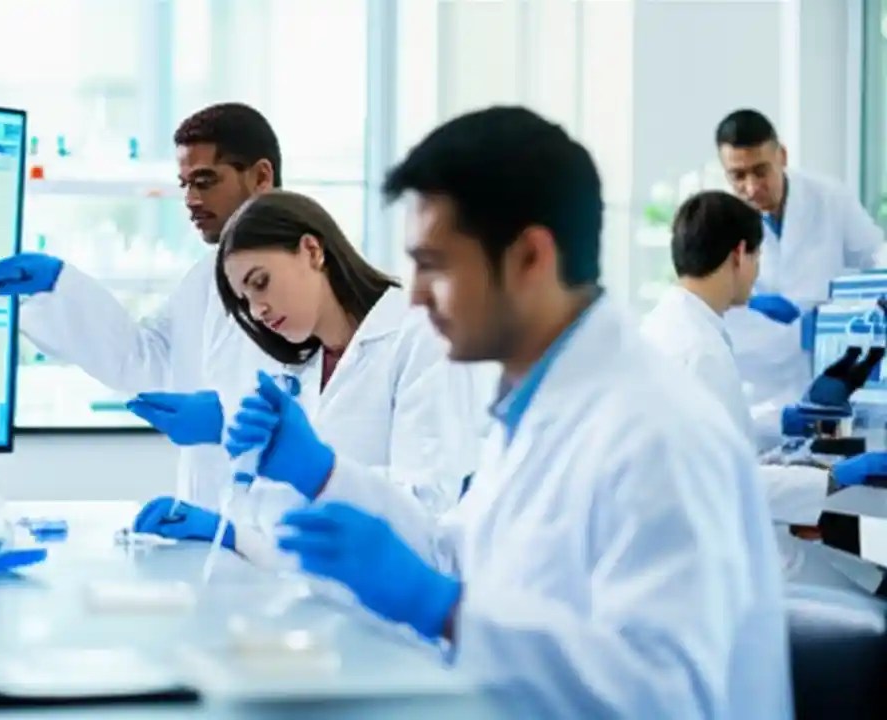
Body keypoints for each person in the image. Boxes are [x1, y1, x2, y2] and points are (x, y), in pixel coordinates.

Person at [225, 107, 790, 717]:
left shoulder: (656, 432)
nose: (416, 295)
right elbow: (455, 555)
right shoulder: (534, 406)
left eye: (435, 265)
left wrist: (445, 609)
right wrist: (323, 473)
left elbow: (670, 696)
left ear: (529, 258)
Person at [130, 191, 495, 560]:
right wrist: (230, 532)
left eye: (261, 283)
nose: (256, 311)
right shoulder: (303, 367)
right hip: (313, 582)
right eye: (245, 300)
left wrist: (317, 470)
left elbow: (427, 508)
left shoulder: (421, 338)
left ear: (311, 251)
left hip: (395, 588)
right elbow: (289, 515)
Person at [0, 103, 281, 509]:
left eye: (205, 181)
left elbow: (331, 414)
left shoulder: (310, 272)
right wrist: (59, 285)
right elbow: (145, 356)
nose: (190, 199)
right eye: (184, 184)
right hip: (214, 514)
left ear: (261, 177)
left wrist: (229, 419)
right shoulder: (205, 277)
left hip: (279, 522)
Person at [640, 190, 887, 593]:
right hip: (719, 562)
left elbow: (710, 438)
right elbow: (727, 484)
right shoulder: (698, 350)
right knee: (869, 594)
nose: (756, 274)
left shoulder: (670, 326)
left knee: (857, 566)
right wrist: (832, 478)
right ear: (740, 254)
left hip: (701, 542)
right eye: (757, 258)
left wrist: (784, 421)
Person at [715, 109, 885, 447]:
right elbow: (722, 315)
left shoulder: (829, 199)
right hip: (762, 393)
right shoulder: (721, 221)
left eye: (761, 171)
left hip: (831, 372)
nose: (752, 187)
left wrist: (836, 319)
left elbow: (875, 257)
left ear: (782, 156)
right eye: (738, 176)